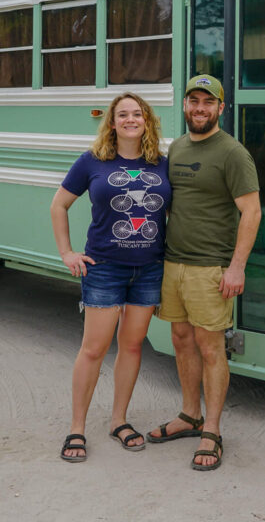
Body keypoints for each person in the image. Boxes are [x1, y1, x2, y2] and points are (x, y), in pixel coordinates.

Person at [148, 74, 261, 471]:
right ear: (184, 105)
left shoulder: (232, 153)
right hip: (173, 262)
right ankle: (189, 414)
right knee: (180, 339)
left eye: (207, 102)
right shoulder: (176, 148)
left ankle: (211, 430)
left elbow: (252, 210)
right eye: (193, 100)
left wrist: (236, 267)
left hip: (210, 267)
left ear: (220, 108)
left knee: (211, 347)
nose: (199, 108)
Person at [50, 92, 170, 463]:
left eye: (137, 113)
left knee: (132, 347)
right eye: (123, 114)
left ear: (146, 120)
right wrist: (68, 253)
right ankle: (77, 427)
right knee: (94, 349)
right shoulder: (93, 161)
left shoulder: (161, 164)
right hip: (104, 268)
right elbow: (59, 205)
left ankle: (119, 421)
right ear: (113, 122)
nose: (131, 119)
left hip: (149, 268)